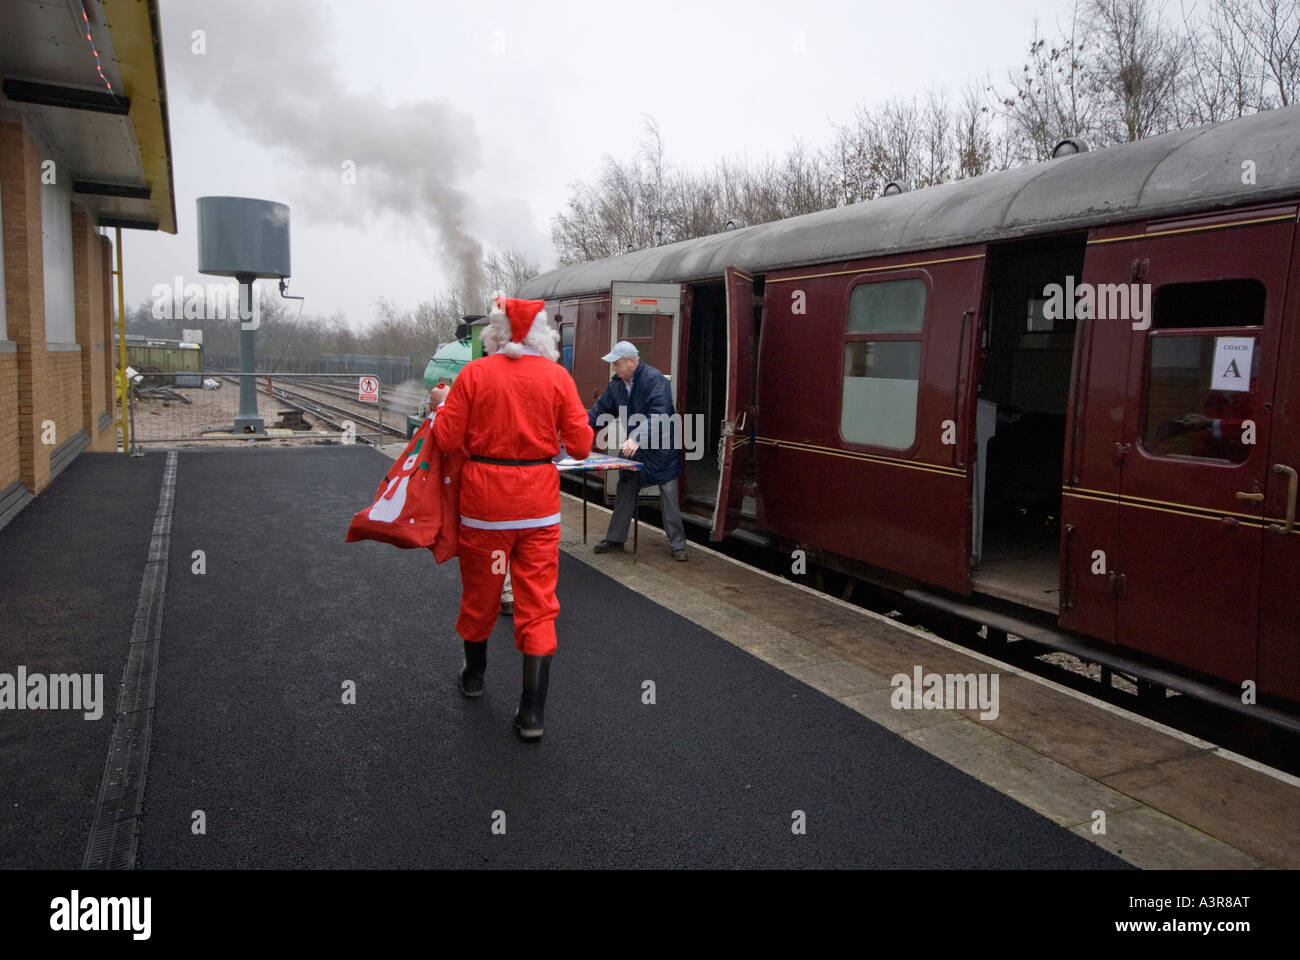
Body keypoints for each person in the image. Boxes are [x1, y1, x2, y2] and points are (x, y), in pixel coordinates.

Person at [429, 297, 593, 741]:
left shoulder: (475, 375)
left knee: (482, 593)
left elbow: (445, 439)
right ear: (543, 335)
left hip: (485, 508)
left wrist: (441, 405)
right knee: (538, 603)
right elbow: (580, 446)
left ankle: (474, 677)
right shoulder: (558, 377)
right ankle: (532, 715)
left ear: (495, 335)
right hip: (539, 508)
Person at [588, 341, 688, 561]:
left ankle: (678, 545)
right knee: (625, 486)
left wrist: (636, 438)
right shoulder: (617, 385)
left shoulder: (655, 380)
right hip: (636, 448)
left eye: (617, 363)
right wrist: (578, 429)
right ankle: (615, 539)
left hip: (662, 448)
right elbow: (598, 412)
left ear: (632, 361)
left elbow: (660, 414)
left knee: (669, 493)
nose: (614, 367)